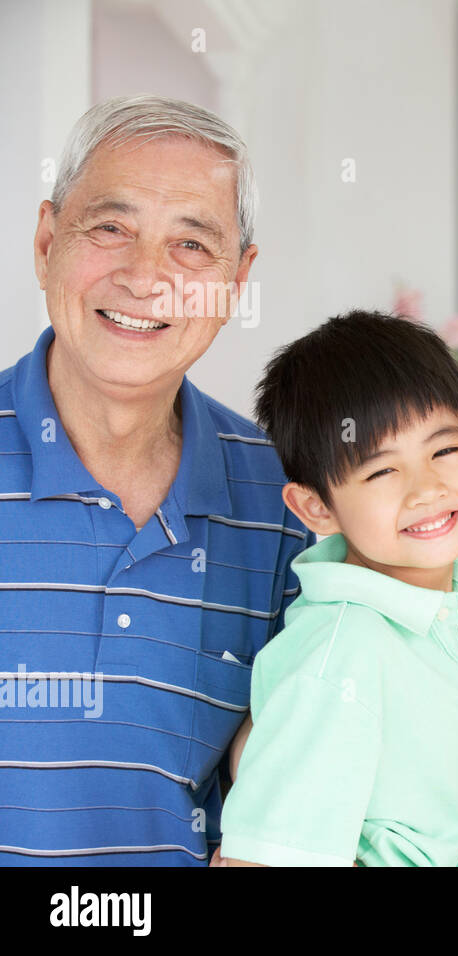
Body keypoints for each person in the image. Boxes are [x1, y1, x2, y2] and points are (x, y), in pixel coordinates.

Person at [0, 95, 306, 865]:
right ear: (45, 243)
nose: (146, 276)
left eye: (192, 246)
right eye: (111, 228)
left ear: (238, 278)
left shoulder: (288, 504)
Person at [218, 312, 458, 866]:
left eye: (445, 451)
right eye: (380, 472)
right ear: (317, 508)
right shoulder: (340, 653)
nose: (428, 490)